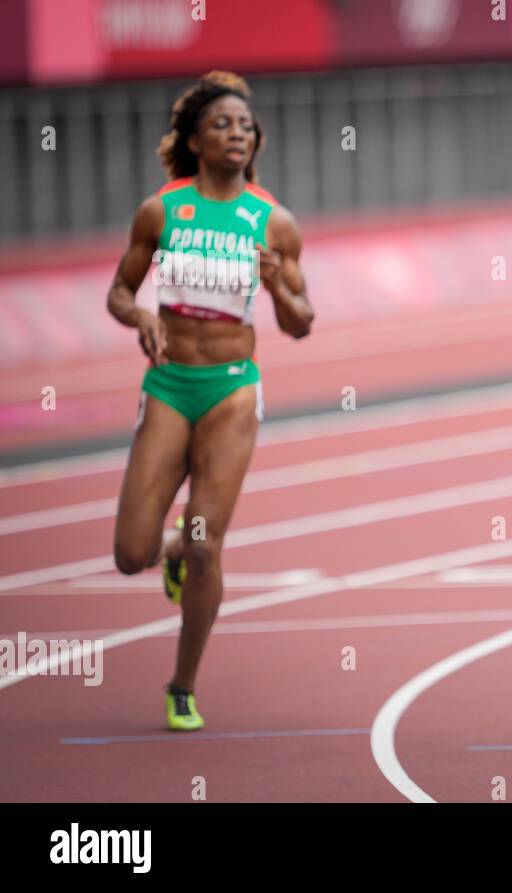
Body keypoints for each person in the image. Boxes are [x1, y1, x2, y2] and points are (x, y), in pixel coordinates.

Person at [108, 71, 314, 731]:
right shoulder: (162, 210)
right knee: (130, 553)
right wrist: (137, 316)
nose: (237, 134)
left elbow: (302, 322)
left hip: (231, 388)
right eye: (223, 124)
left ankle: (182, 684)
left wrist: (279, 288)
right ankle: (164, 550)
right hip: (169, 385)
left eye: (246, 127)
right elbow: (119, 289)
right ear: (195, 140)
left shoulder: (272, 220)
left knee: (206, 543)